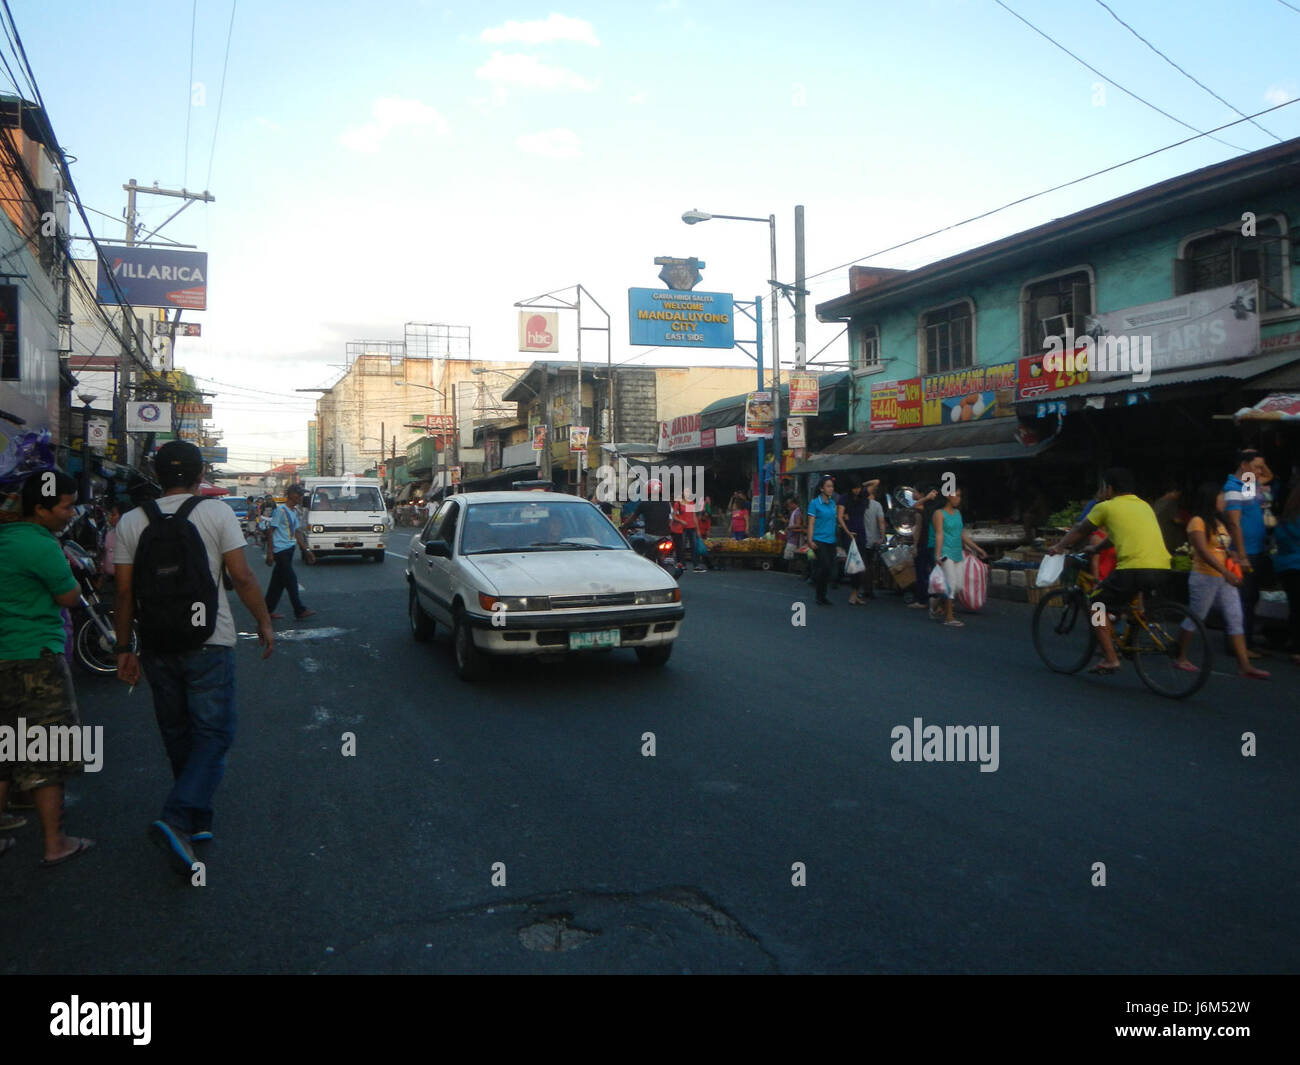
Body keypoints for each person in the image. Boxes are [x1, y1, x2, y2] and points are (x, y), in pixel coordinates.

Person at [114, 441, 276, 875]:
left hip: (156, 642)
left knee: (177, 729)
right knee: (215, 733)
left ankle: (196, 820)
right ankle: (179, 815)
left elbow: (124, 591)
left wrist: (123, 647)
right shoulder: (217, 513)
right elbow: (241, 576)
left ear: (156, 472)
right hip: (210, 639)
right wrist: (262, 621)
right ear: (201, 472)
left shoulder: (131, 521)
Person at [0, 470, 95, 865]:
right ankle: (55, 842)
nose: (71, 513)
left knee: (4, 747)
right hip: (34, 655)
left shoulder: (5, 537)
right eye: (65, 506)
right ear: (40, 509)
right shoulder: (39, 544)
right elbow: (69, 596)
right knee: (46, 751)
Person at [1049, 467, 1170, 675]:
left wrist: (1059, 546)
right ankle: (1131, 636)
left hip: (1132, 569)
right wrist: (1096, 548)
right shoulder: (1144, 506)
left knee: (1096, 605)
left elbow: (1080, 530)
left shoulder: (1106, 507)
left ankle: (1110, 658)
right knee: (1127, 601)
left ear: (1110, 488)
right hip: (1162, 568)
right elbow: (1118, 536)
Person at [1174, 482, 1269, 679]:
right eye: (1220, 497)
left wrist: (1233, 556)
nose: (1224, 501)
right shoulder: (1197, 522)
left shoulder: (1219, 522)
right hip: (1204, 576)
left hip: (1223, 576)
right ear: (1211, 500)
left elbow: (1221, 549)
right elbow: (1202, 550)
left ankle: (1244, 665)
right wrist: (1226, 572)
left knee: (1235, 617)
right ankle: (1179, 655)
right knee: (1196, 617)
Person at [1223, 449, 1271, 657]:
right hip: (1245, 553)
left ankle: (1247, 642)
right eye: (1256, 466)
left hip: (1256, 550)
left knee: (1250, 599)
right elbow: (1234, 523)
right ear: (1243, 465)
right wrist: (1241, 555)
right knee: (1242, 600)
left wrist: (1259, 460)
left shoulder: (1249, 484)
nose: (1260, 471)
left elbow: (1269, 477)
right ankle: (1239, 646)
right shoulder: (1234, 488)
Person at [931, 486, 988, 627]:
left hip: (958, 552)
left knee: (959, 586)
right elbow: (939, 534)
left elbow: (961, 534)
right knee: (951, 585)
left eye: (960, 496)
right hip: (945, 552)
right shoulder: (939, 513)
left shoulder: (958, 513)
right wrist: (937, 555)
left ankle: (936, 602)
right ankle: (949, 617)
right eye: (956, 495)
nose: (959, 499)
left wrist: (977, 548)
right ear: (948, 497)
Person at [264, 484, 316, 621]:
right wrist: (270, 553)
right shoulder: (280, 511)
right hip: (280, 552)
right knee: (291, 580)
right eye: (299, 495)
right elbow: (271, 531)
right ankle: (299, 610)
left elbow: (297, 533)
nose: (301, 497)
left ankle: (266, 611)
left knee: (277, 584)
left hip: (289, 550)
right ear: (292, 495)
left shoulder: (294, 512)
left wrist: (306, 550)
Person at [1273, 478, 1300, 666]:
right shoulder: (1245, 489)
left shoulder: (1286, 518)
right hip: (1296, 566)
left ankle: (1295, 646)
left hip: (1285, 566)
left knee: (1295, 607)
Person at [805, 475, 839, 606]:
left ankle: (822, 594)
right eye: (828, 486)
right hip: (819, 539)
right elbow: (811, 523)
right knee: (824, 566)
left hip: (831, 540)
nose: (831, 489)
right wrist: (810, 539)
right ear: (821, 488)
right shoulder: (814, 503)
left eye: (832, 486)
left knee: (829, 568)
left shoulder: (832, 504)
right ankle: (819, 594)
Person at [909, 486, 941, 610]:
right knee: (933, 573)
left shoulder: (921, 510)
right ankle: (935, 599)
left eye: (915, 491)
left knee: (921, 572)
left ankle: (922, 600)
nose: (913, 493)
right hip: (933, 545)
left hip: (924, 544)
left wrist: (915, 546)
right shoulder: (935, 510)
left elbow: (917, 530)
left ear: (922, 494)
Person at [862, 480, 887, 599]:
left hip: (862, 538)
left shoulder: (860, 503)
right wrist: (882, 537)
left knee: (864, 565)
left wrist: (863, 484)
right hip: (874, 539)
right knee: (872, 564)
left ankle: (864, 588)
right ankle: (871, 588)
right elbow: (881, 522)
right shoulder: (877, 505)